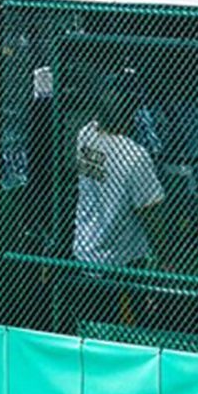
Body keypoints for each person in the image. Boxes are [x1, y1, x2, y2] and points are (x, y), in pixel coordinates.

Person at [68, 77, 167, 269]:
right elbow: (151, 212)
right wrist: (166, 255)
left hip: (84, 249)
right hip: (121, 260)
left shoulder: (86, 135)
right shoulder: (134, 156)